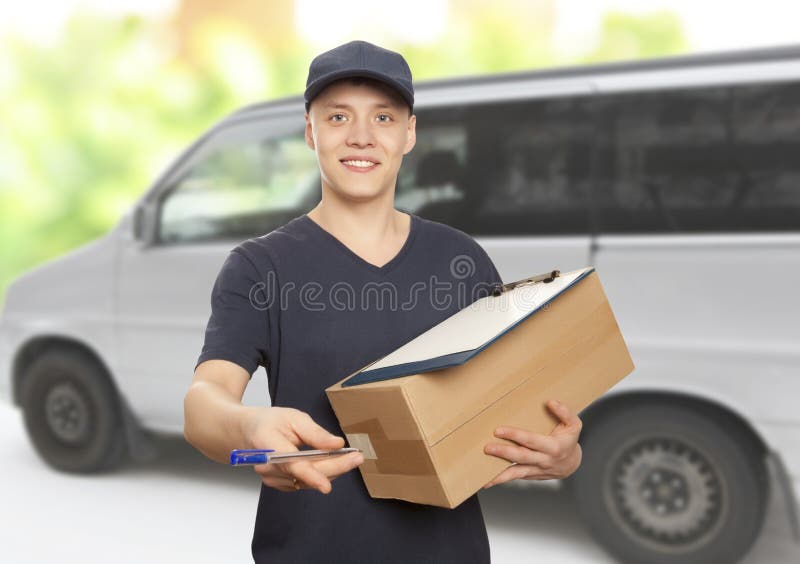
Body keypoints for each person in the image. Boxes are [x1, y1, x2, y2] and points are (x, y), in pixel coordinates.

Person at [183, 40, 583, 563]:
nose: (361, 137)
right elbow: (202, 403)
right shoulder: (261, 266)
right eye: (338, 116)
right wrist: (250, 428)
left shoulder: (461, 260)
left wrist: (566, 455)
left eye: (384, 118)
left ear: (409, 134)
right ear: (311, 131)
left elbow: (516, 406)